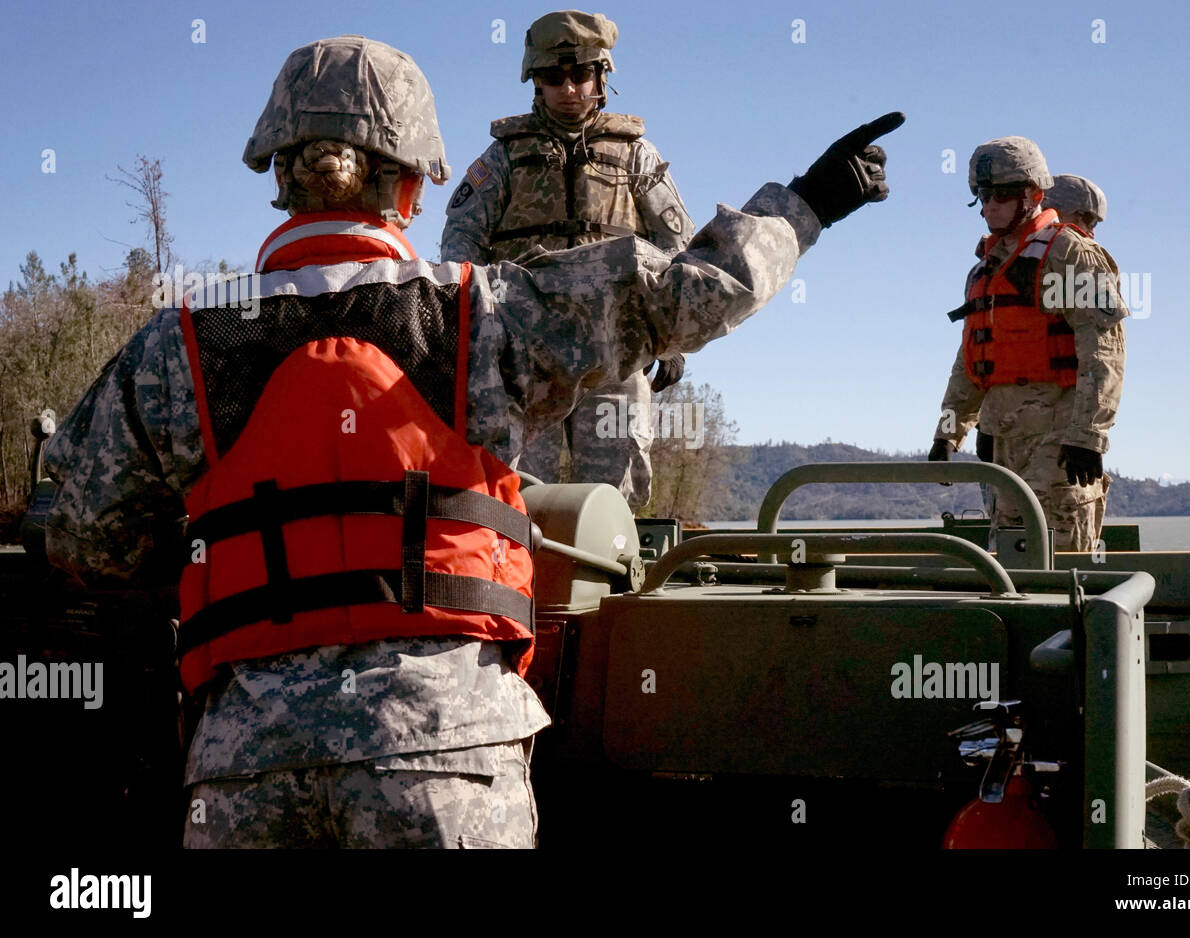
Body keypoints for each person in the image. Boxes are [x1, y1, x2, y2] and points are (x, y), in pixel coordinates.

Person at [40, 34, 902, 847]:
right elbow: (686, 295)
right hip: (449, 761)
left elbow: (87, 539)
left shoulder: (174, 346)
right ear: (410, 188)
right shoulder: (487, 311)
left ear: (280, 176)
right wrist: (808, 203)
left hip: (244, 770)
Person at [441, 10, 693, 510]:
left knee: (616, 492)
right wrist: (470, 338)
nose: (569, 89)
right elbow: (459, 249)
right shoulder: (503, 159)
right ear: (534, 82)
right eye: (553, 77)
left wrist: (673, 338)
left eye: (580, 74)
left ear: (602, 77)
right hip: (524, 356)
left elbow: (676, 250)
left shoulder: (636, 157)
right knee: (514, 494)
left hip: (616, 351)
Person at [928, 138, 1126, 553]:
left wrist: (1088, 436)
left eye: (1002, 194)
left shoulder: (1070, 254)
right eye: (982, 195)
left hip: (1059, 444)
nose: (989, 206)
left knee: (1062, 561)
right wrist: (948, 434)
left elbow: (1103, 351)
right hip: (1004, 446)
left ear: (1034, 195)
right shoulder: (986, 268)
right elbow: (972, 358)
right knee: (1014, 560)